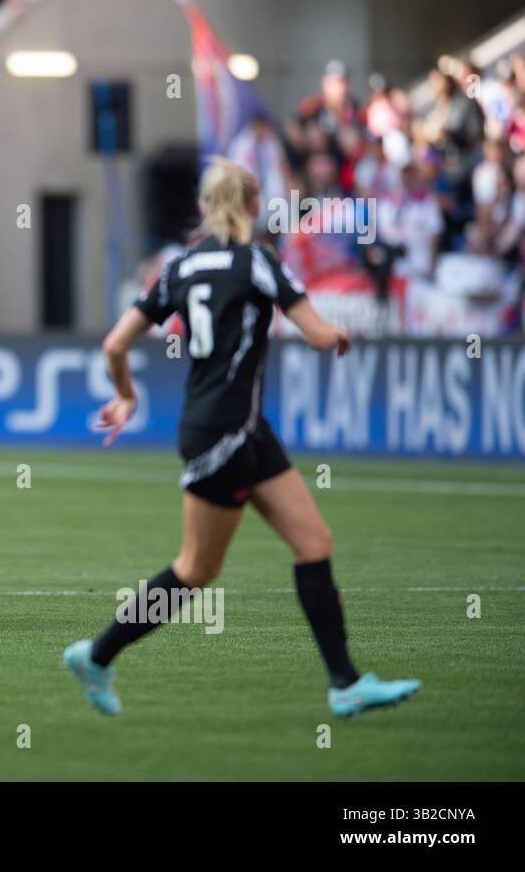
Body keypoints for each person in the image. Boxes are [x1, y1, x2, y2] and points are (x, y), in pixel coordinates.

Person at [63, 159, 420, 719]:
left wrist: (125, 396)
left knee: (314, 544)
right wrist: (340, 334)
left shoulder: (180, 268)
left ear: (206, 207)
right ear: (254, 207)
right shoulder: (258, 263)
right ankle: (98, 655)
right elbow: (320, 333)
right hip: (222, 435)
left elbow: (114, 344)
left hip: (241, 427)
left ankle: (345, 684)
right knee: (195, 569)